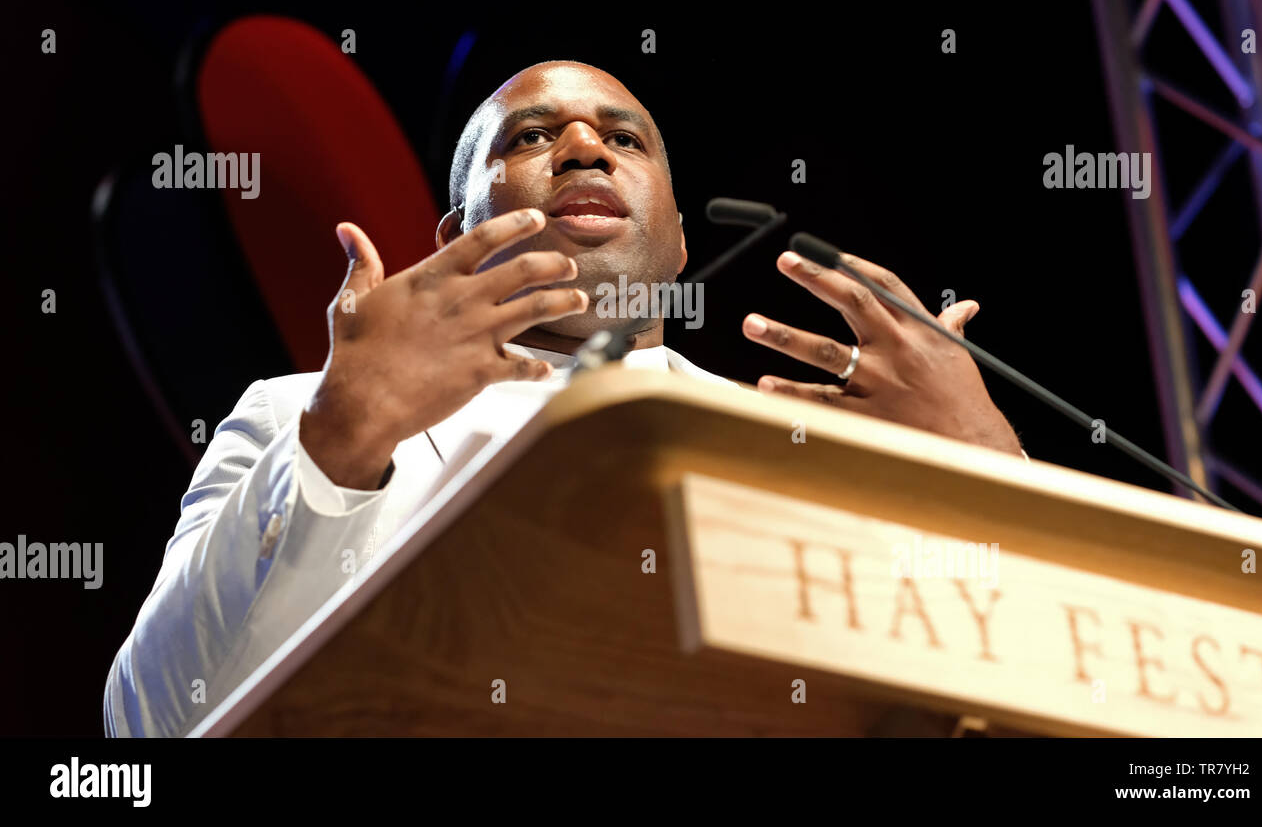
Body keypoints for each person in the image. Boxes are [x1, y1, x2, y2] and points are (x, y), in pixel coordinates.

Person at [103, 60, 1022, 737]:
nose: (585, 147)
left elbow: (1006, 691)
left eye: (625, 140)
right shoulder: (302, 418)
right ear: (458, 231)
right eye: (532, 136)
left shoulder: (792, 450)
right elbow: (144, 725)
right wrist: (343, 437)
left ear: (674, 246)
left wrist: (993, 482)